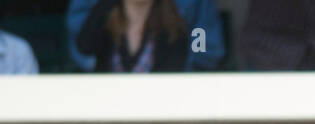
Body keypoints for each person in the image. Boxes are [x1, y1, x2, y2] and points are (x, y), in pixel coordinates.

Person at [67, 0, 225, 71]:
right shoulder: (103, 11)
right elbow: (82, 45)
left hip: (172, 100)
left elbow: (205, 44)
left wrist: (191, 69)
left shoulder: (181, 15)